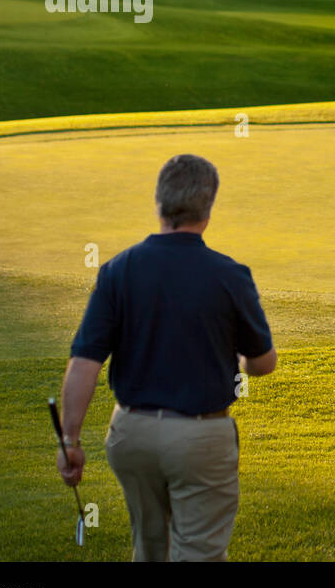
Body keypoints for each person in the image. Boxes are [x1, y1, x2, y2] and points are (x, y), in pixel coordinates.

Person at [55, 153, 277, 561]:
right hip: (200, 437)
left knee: (150, 548)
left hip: (132, 435)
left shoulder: (117, 271)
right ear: (207, 210)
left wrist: (70, 440)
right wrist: (242, 362)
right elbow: (262, 362)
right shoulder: (229, 275)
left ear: (159, 203)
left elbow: (84, 363)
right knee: (198, 552)